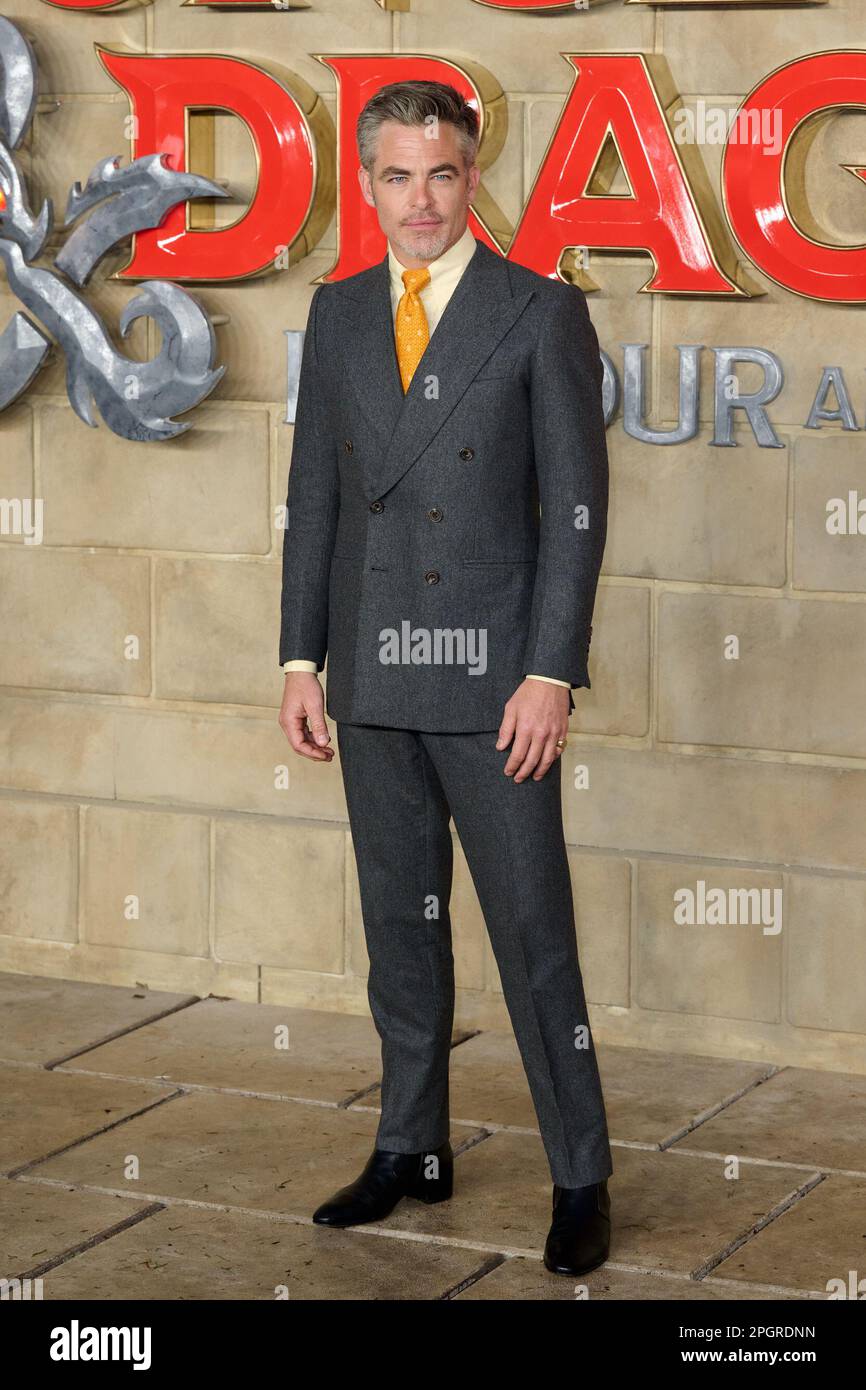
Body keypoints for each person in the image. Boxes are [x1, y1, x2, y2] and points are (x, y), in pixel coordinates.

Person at [278, 80, 612, 1276]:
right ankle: (409, 1147)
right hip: (369, 676)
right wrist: (300, 656)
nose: (419, 201)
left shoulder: (537, 312)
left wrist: (548, 674)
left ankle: (580, 1172)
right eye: (396, 175)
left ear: (473, 177)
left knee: (534, 934)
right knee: (397, 930)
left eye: (441, 174)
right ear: (366, 183)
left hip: (491, 681)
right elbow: (313, 494)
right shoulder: (337, 313)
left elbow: (575, 514)